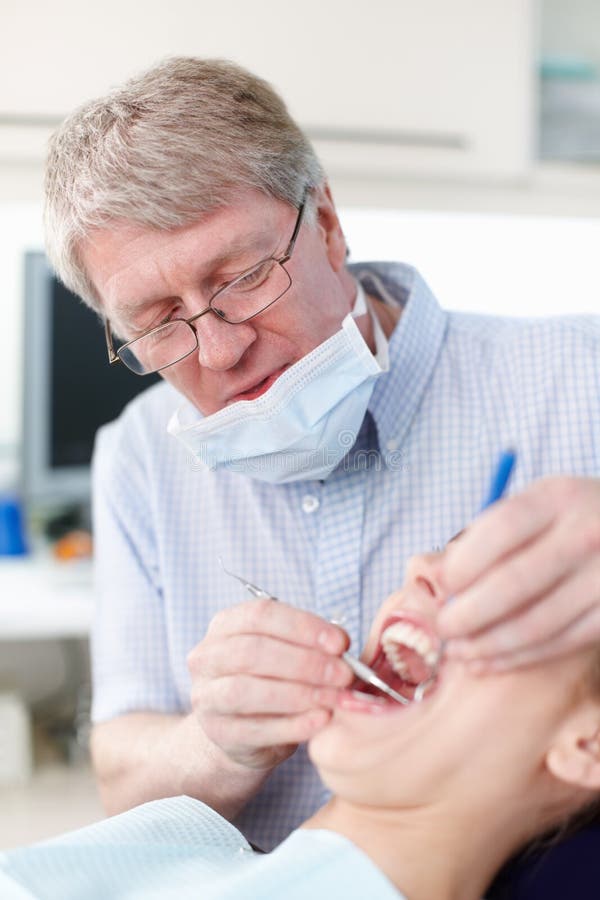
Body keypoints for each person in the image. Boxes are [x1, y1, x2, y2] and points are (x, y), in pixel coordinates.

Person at [42, 56, 600, 853]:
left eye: (242, 278)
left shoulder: (583, 375)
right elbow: (122, 780)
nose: (223, 349)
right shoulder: (138, 455)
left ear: (329, 226)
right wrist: (215, 742)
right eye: (159, 321)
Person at [1, 554, 600, 900]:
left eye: (502, 585)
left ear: (589, 744)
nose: (423, 567)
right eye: (446, 549)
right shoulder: (167, 845)